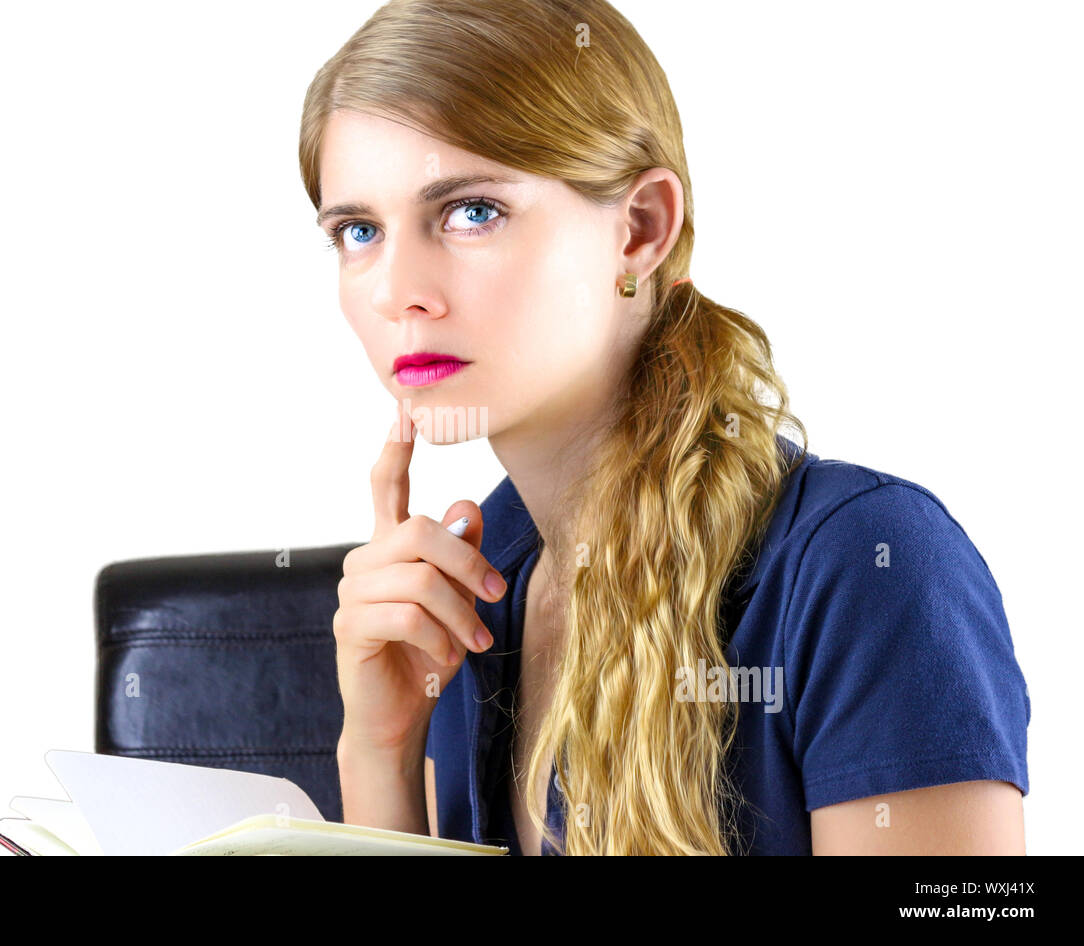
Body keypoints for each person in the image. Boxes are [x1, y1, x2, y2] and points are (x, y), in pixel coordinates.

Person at [305, 0, 1030, 854]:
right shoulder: (472, 589)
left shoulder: (868, 564)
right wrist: (382, 748)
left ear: (640, 228)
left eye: (471, 212)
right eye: (358, 231)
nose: (398, 292)